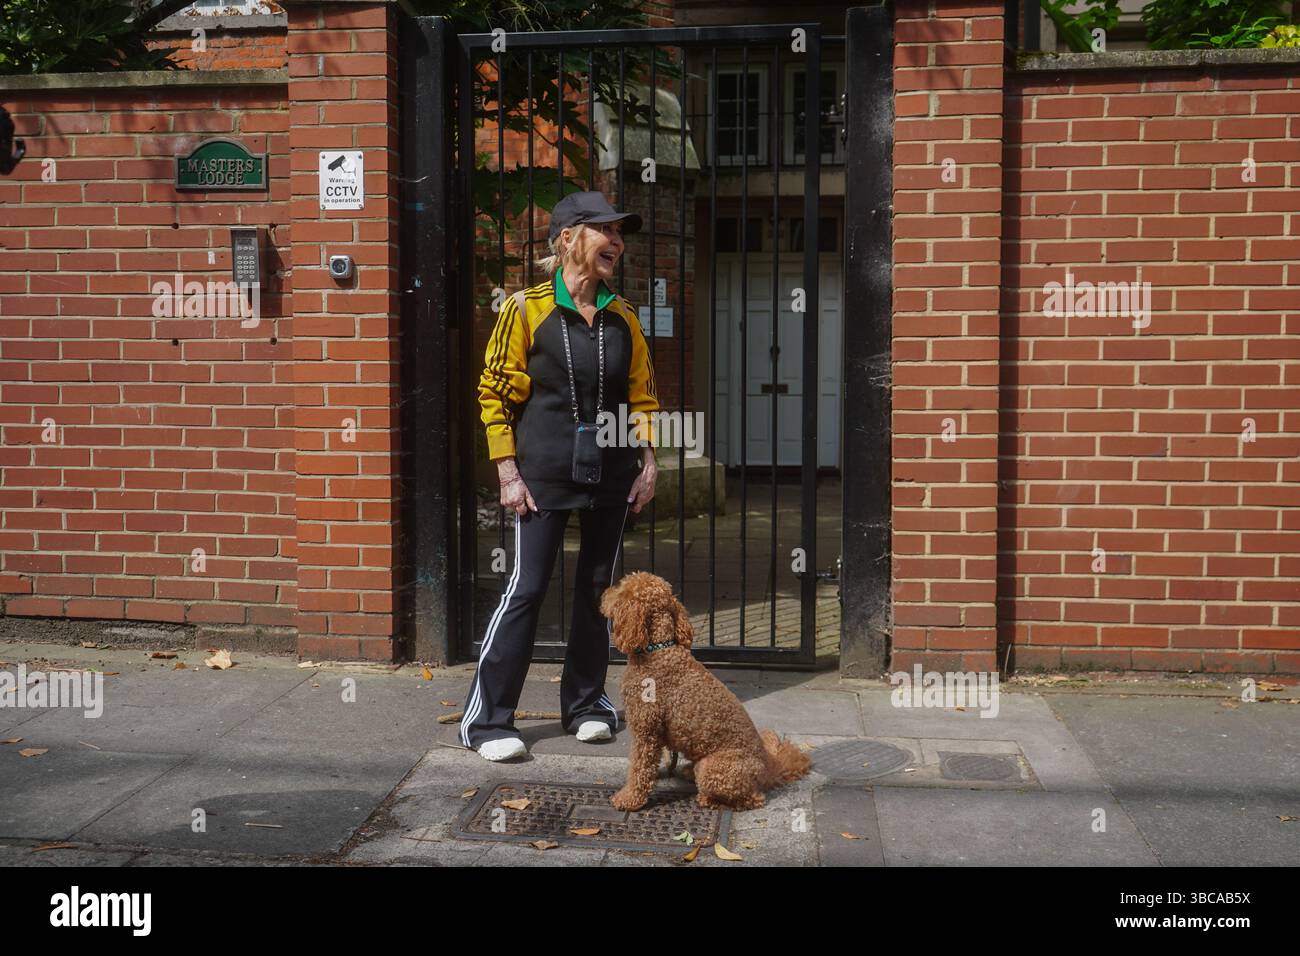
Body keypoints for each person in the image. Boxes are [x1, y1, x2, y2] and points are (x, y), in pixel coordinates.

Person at [462, 190, 661, 761]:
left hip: (612, 472)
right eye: (606, 231)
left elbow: (643, 397)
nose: (617, 242)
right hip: (542, 472)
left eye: (620, 234)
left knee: (599, 590)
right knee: (526, 587)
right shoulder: (525, 309)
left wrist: (649, 462)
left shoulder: (624, 317)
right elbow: (494, 393)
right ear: (569, 239)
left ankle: (586, 704)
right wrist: (507, 470)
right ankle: (487, 721)